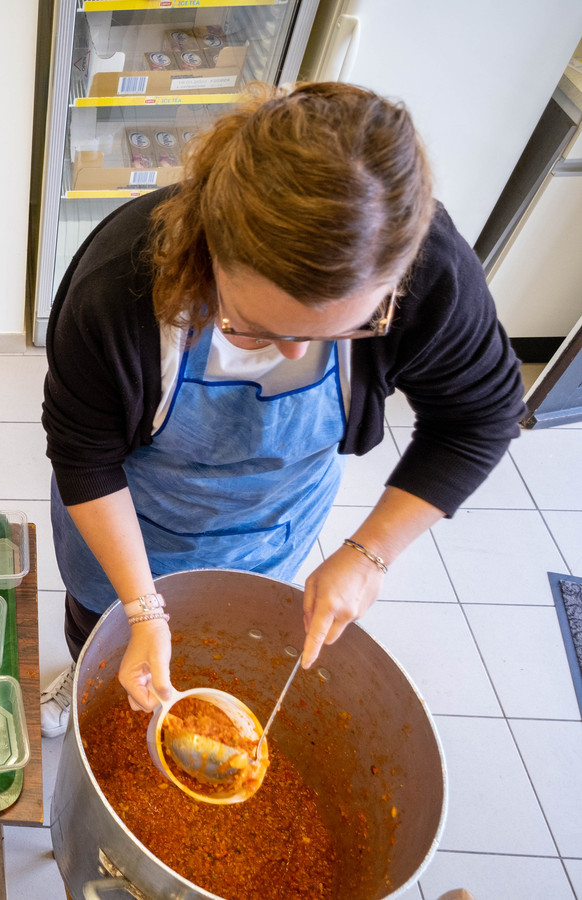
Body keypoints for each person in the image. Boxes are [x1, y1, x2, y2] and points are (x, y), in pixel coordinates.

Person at [39, 82, 526, 737]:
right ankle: (83, 678)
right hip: (132, 518)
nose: (295, 350)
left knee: (220, 640)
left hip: (272, 524)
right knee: (102, 631)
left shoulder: (425, 264)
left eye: (342, 331)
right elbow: (85, 457)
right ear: (208, 252)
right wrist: (143, 608)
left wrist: (367, 553)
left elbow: (478, 419)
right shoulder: (117, 286)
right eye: (254, 327)